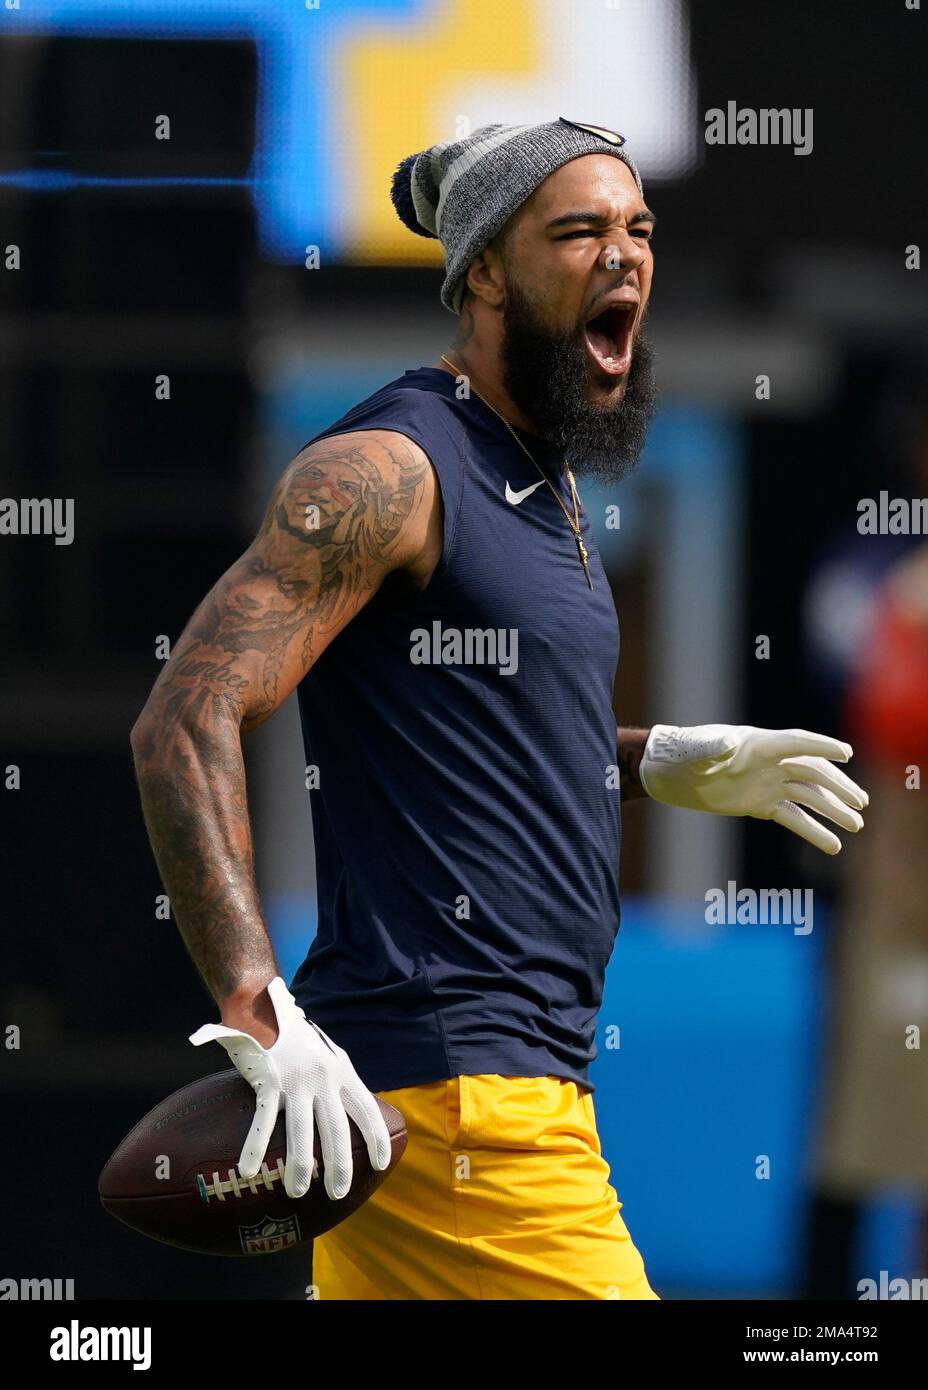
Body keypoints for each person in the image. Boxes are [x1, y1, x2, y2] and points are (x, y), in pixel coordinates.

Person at [130, 118, 868, 1300]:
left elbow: (472, 726)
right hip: (470, 1104)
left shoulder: (543, 476)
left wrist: (647, 756)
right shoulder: (393, 467)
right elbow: (183, 715)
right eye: (576, 231)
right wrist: (255, 1004)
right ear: (481, 271)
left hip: (469, 1093)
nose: (621, 254)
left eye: (637, 228)